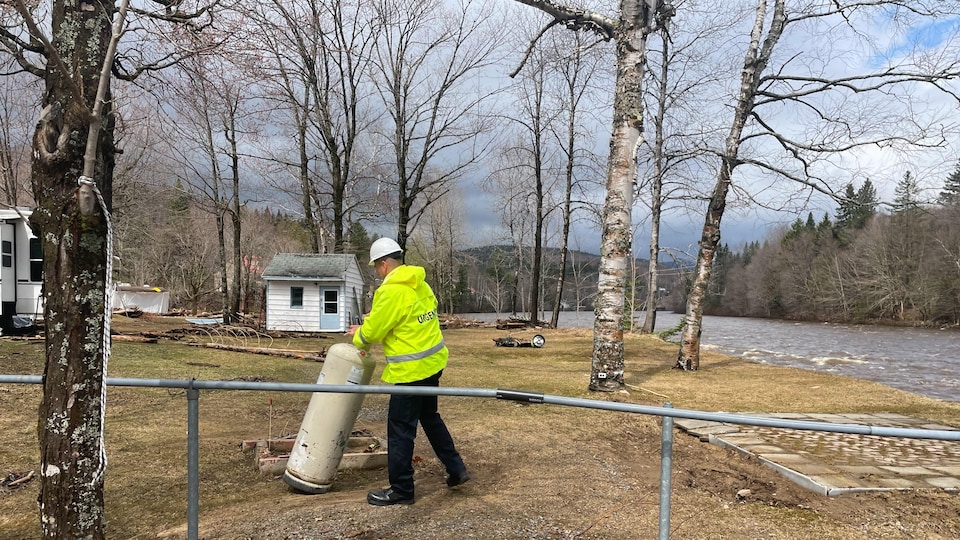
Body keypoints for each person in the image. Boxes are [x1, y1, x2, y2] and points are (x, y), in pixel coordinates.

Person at [348, 237, 470, 506]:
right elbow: (411, 319)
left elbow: (374, 330)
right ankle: (456, 468)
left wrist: (358, 335)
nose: (377, 272)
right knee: (430, 417)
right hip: (432, 365)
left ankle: (402, 488)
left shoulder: (391, 291)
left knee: (401, 430)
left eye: (377, 267)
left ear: (383, 264)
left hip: (409, 371)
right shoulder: (419, 284)